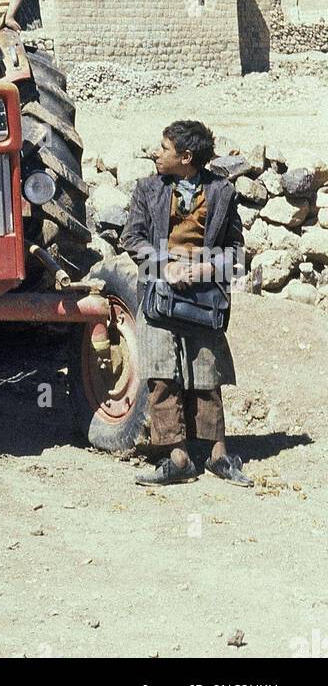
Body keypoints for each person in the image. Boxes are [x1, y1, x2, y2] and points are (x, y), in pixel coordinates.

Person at [120, 120, 252, 487]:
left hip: (204, 298)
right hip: (160, 296)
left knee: (208, 376)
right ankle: (177, 457)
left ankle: (218, 456)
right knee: (162, 376)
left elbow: (238, 253)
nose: (156, 153)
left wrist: (210, 267)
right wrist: (166, 266)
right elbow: (132, 239)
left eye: (164, 148)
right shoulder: (148, 189)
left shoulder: (222, 192)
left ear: (186, 157)